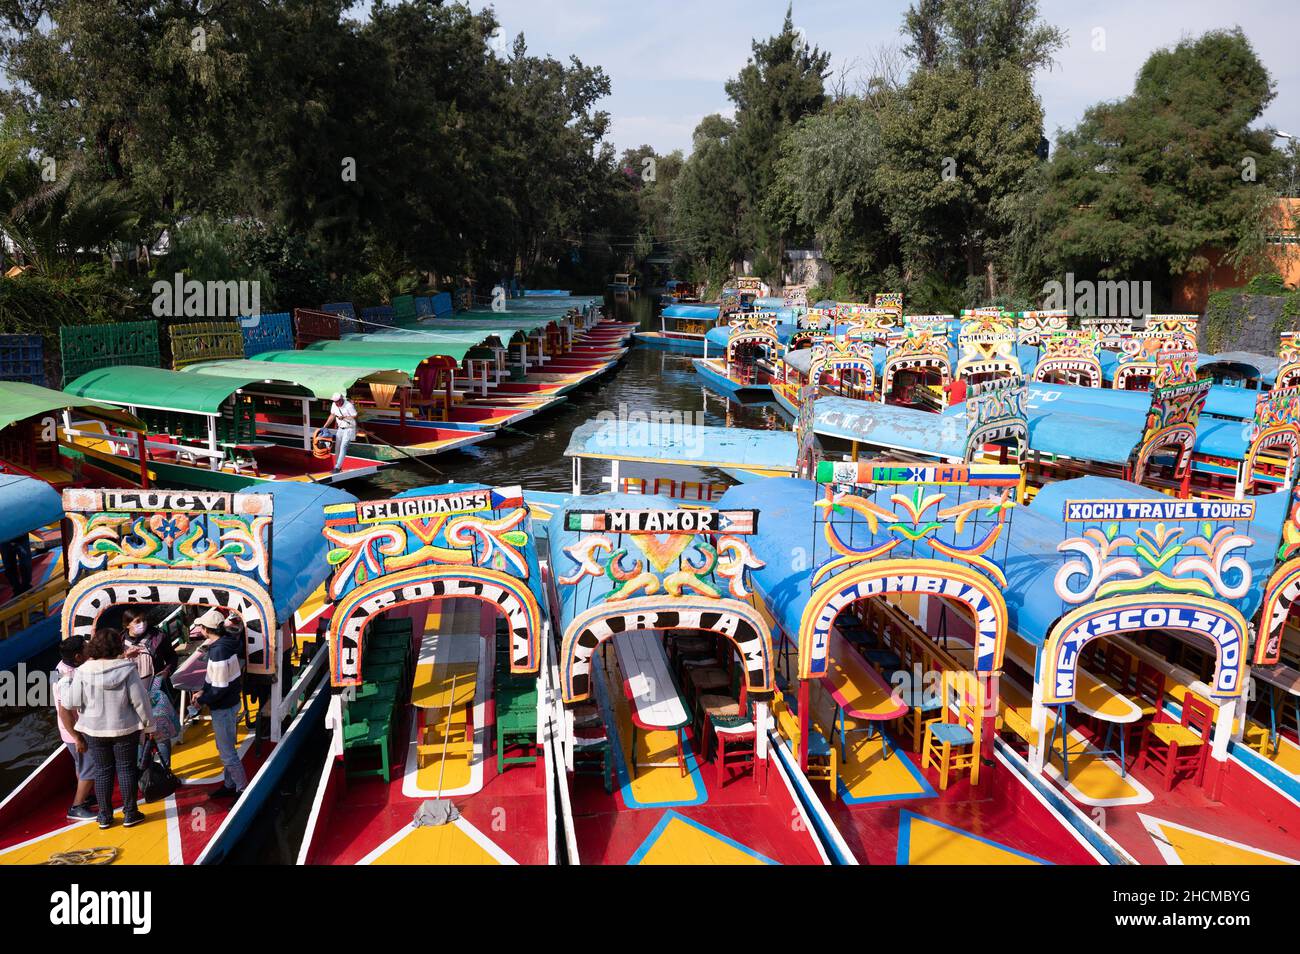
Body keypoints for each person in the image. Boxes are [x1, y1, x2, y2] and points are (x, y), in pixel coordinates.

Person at [62, 628, 153, 829]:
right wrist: (149, 725)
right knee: (126, 769)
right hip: (125, 729)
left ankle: (104, 817)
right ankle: (130, 813)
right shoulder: (127, 669)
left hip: (94, 731)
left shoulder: (83, 671)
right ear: (117, 647)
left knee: (103, 771)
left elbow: (71, 702)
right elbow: (140, 701)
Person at [190, 608, 247, 799]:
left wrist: (202, 699)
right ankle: (229, 783)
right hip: (229, 703)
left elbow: (220, 686)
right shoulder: (226, 644)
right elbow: (214, 678)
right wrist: (203, 691)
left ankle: (240, 788)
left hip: (223, 708)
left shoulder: (219, 650)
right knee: (226, 747)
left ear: (207, 630)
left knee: (227, 752)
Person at [123, 608, 181, 769]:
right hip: (131, 698)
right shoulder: (120, 643)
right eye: (137, 621)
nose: (142, 624)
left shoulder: (158, 637)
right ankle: (143, 769)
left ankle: (166, 768)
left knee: (160, 733)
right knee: (138, 736)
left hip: (156, 692)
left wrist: (166, 672)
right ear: (127, 625)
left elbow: (172, 657)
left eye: (143, 619)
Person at [53, 636, 97, 820]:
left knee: (81, 765)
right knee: (91, 765)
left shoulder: (58, 667)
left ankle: (86, 796)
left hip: (69, 730)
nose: (90, 648)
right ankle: (77, 806)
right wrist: (77, 737)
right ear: (78, 656)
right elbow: (64, 711)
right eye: (86, 648)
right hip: (75, 730)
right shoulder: (69, 678)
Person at [321, 391, 358, 474]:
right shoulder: (334, 405)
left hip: (349, 428)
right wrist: (324, 426)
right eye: (335, 401)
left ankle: (337, 467)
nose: (336, 403)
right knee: (337, 447)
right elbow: (332, 415)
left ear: (341, 399)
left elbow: (355, 415)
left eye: (338, 401)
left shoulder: (348, 405)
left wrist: (345, 417)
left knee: (343, 447)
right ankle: (338, 466)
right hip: (340, 428)